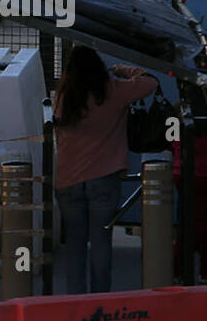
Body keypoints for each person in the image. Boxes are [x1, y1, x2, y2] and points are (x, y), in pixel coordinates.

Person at [53, 46, 157, 294]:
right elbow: (150, 82)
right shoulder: (113, 91)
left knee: (75, 245)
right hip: (103, 179)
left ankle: (74, 302)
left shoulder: (63, 96)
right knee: (101, 243)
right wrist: (121, 69)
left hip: (67, 180)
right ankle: (99, 301)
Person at [172, 86, 207, 283]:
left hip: (182, 174)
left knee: (185, 223)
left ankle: (177, 269)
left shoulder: (177, 115)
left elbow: (169, 141)